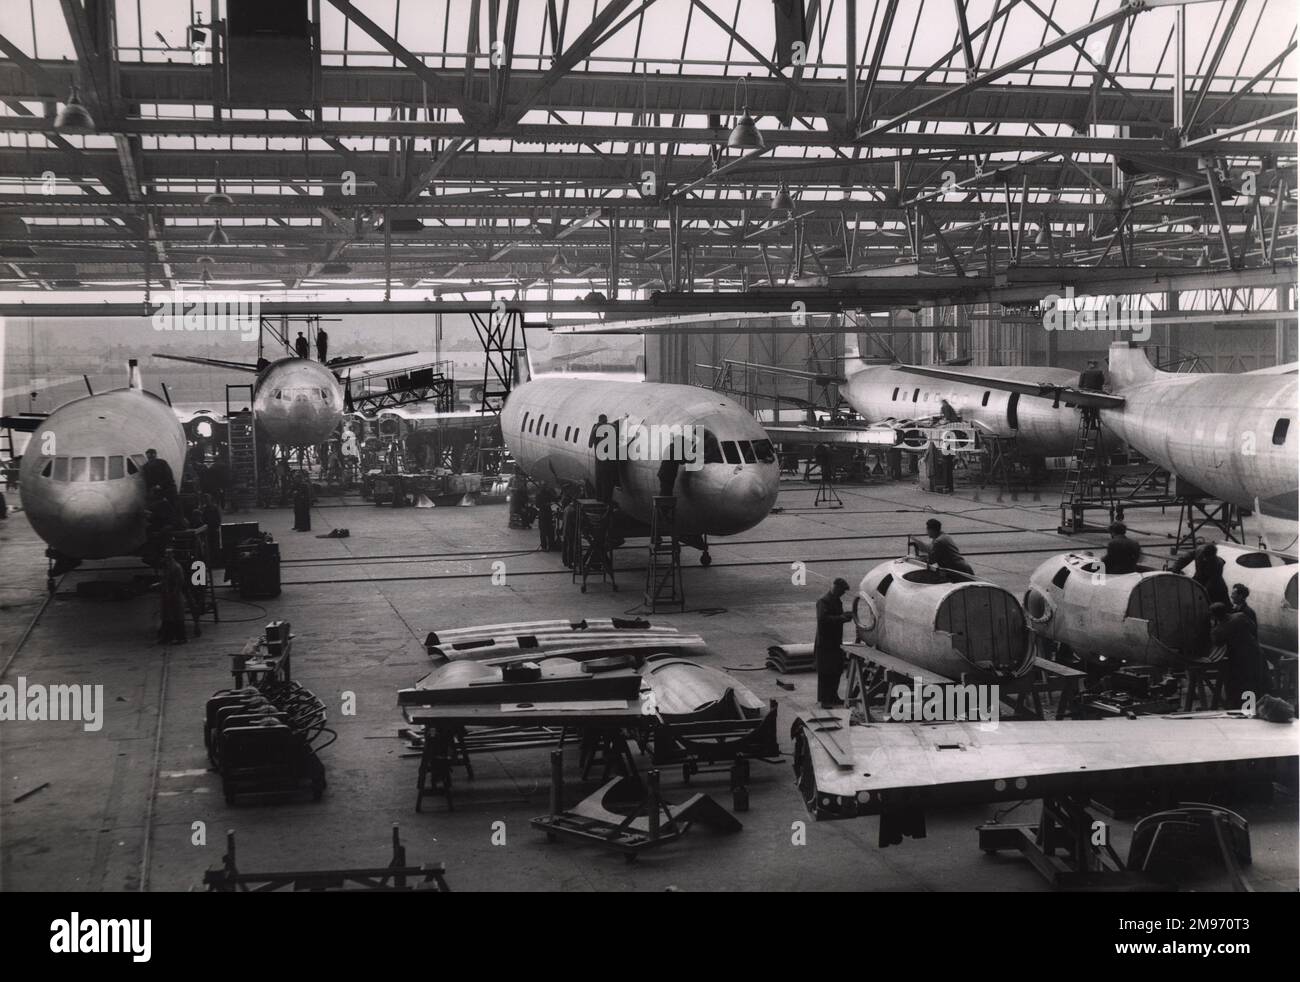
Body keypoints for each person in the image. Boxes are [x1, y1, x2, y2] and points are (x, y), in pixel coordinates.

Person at [1210, 602, 1266, 706]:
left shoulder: (1219, 630)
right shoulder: (1240, 616)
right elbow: (1253, 628)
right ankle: (1256, 707)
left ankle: (1239, 707)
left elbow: (1217, 642)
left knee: (1238, 685)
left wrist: (1214, 625)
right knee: (1254, 683)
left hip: (1238, 659)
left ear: (1214, 616)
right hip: (1255, 652)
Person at [814, 578, 854, 708]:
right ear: (835, 588)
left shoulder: (836, 600)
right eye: (842, 591)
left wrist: (845, 615)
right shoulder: (823, 601)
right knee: (825, 672)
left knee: (836, 670)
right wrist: (841, 618)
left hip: (835, 641)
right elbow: (823, 620)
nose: (842, 594)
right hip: (825, 643)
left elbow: (834, 616)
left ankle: (833, 696)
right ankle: (824, 699)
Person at [1174, 542, 1230, 606]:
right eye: (1204, 557)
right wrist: (1175, 570)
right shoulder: (1199, 550)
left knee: (1214, 599)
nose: (1204, 559)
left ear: (1213, 556)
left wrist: (1201, 594)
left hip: (1215, 584)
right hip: (1199, 576)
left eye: (1207, 558)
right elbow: (1183, 559)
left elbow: (1211, 584)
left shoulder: (1218, 565)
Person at [157, 547, 189, 645]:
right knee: (167, 617)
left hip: (174, 596)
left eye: (169, 554)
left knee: (177, 617)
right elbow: (164, 580)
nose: (166, 556)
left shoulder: (176, 567)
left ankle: (181, 638)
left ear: (173, 555)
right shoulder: (166, 567)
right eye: (166, 554)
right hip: (167, 595)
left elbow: (179, 582)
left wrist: (174, 593)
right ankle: (167, 637)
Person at [590, 414, 620, 504]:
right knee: (607, 487)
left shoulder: (595, 429)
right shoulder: (609, 438)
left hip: (598, 463)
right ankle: (606, 503)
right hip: (608, 466)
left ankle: (599, 501)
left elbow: (590, 443)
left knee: (599, 483)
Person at [1078, 360, 1106, 426]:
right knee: (1094, 407)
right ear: (1096, 365)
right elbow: (1102, 382)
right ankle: (1093, 423)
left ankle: (1086, 420)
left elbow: (1080, 384)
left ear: (1088, 365)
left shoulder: (1084, 372)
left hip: (1086, 392)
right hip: (1096, 393)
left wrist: (1083, 388)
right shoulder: (1099, 372)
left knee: (1085, 406)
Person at [535, 483, 557, 552]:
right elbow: (537, 505)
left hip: (548, 513)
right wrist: (545, 504)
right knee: (543, 531)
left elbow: (554, 498)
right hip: (543, 513)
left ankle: (551, 545)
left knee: (550, 530)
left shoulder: (548, 493)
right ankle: (544, 546)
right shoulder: (539, 495)